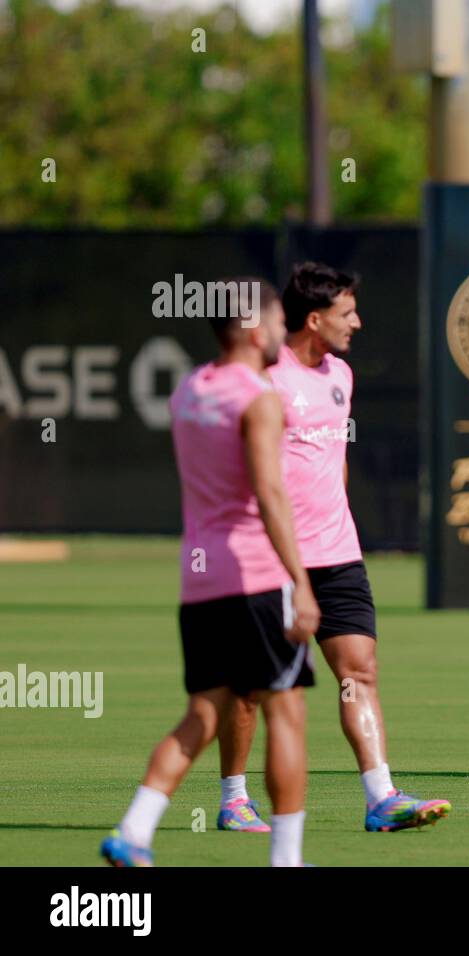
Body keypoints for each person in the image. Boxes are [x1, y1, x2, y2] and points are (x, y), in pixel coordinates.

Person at [215, 263, 450, 834]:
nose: (358, 323)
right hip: (269, 558)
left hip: (338, 553)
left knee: (358, 670)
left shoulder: (342, 373)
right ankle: (233, 798)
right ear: (315, 318)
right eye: (347, 314)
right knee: (251, 688)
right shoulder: (265, 379)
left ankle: (380, 796)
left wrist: (335, 519)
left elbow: (332, 461)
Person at [101, 279, 320, 867]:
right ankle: (287, 859)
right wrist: (300, 581)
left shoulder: (190, 390)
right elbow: (270, 492)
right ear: (255, 330)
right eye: (277, 323)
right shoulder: (259, 398)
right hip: (253, 578)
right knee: (287, 712)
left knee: (203, 713)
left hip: (200, 584)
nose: (282, 333)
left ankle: (134, 831)